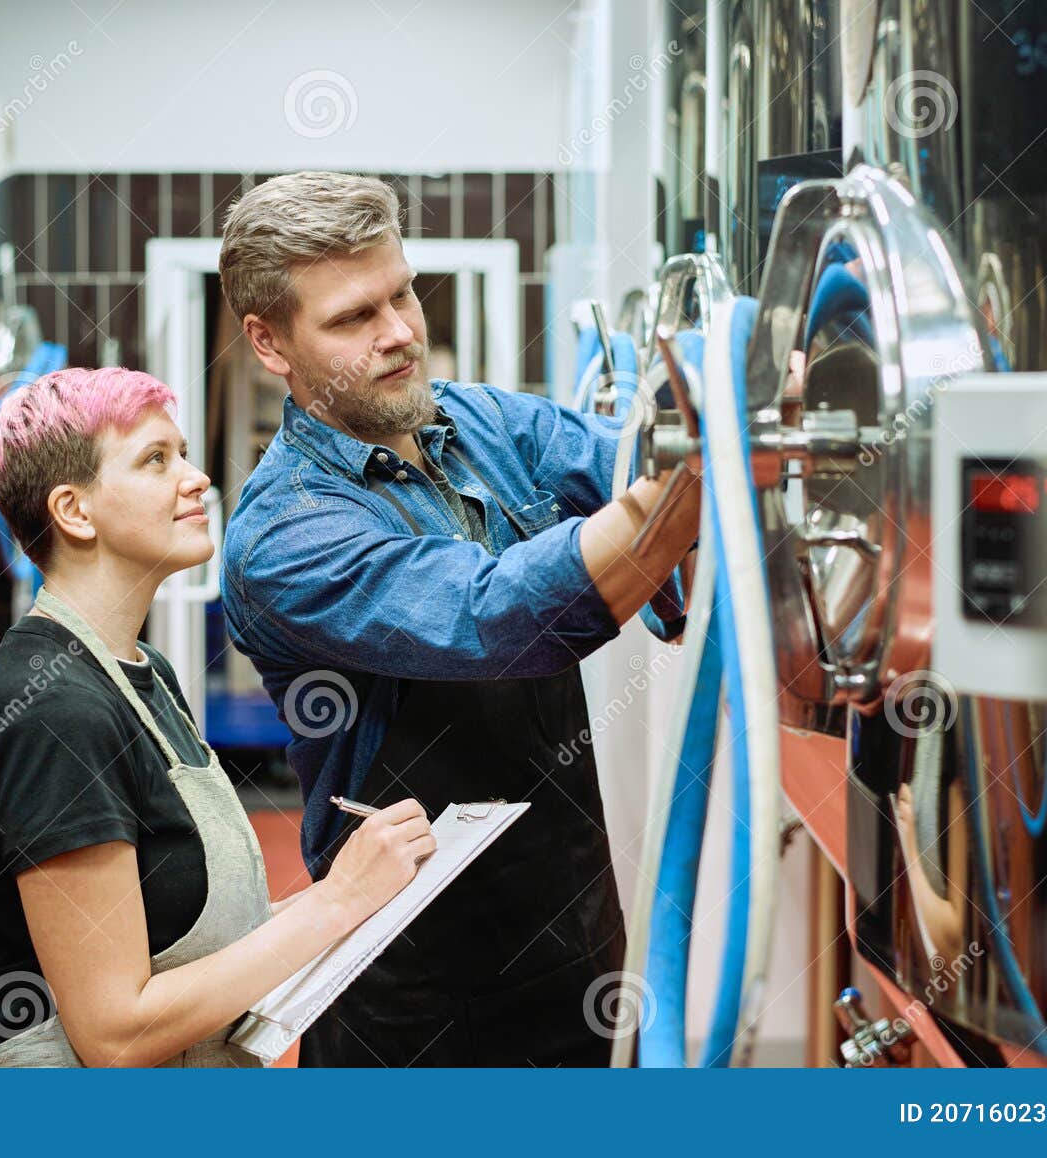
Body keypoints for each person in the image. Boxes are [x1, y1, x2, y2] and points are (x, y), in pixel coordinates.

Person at [220, 172, 701, 1066]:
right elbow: (491, 618)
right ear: (269, 341)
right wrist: (696, 478)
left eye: (401, 292)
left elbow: (627, 464)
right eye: (353, 317)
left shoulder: (489, 425)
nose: (399, 331)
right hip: (410, 986)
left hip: (574, 932)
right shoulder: (283, 533)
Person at [0, 366, 433, 1068]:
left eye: (182, 452)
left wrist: (354, 893)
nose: (198, 477)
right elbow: (114, 1035)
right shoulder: (55, 711)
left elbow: (200, 946)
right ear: (75, 512)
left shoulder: (143, 673)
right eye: (155, 460)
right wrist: (340, 901)